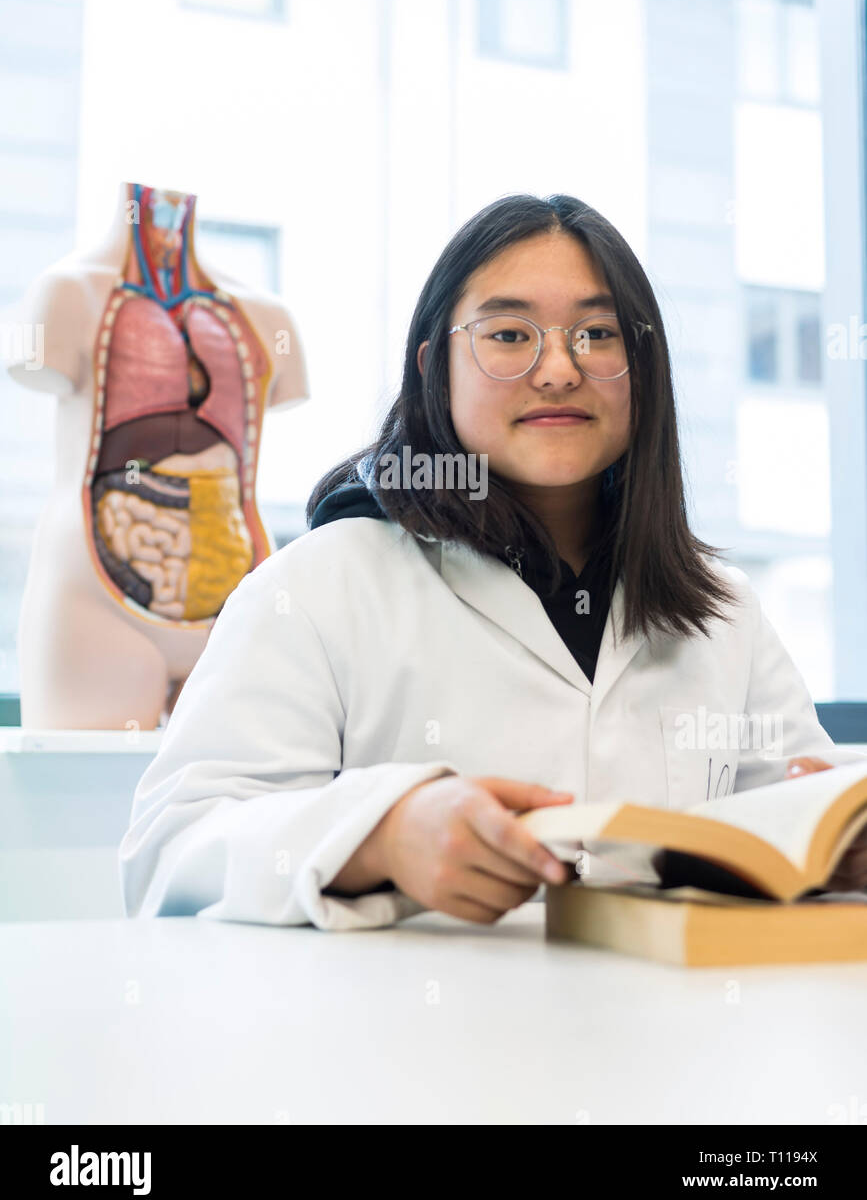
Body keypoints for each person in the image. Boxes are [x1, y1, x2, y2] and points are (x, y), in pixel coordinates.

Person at [119, 193, 867, 930]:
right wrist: (378, 836)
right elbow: (171, 852)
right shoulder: (317, 586)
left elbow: (797, 815)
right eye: (508, 334)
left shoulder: (722, 611)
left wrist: (833, 850)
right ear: (434, 367)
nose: (557, 370)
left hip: (670, 1038)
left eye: (597, 333)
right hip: (408, 1044)